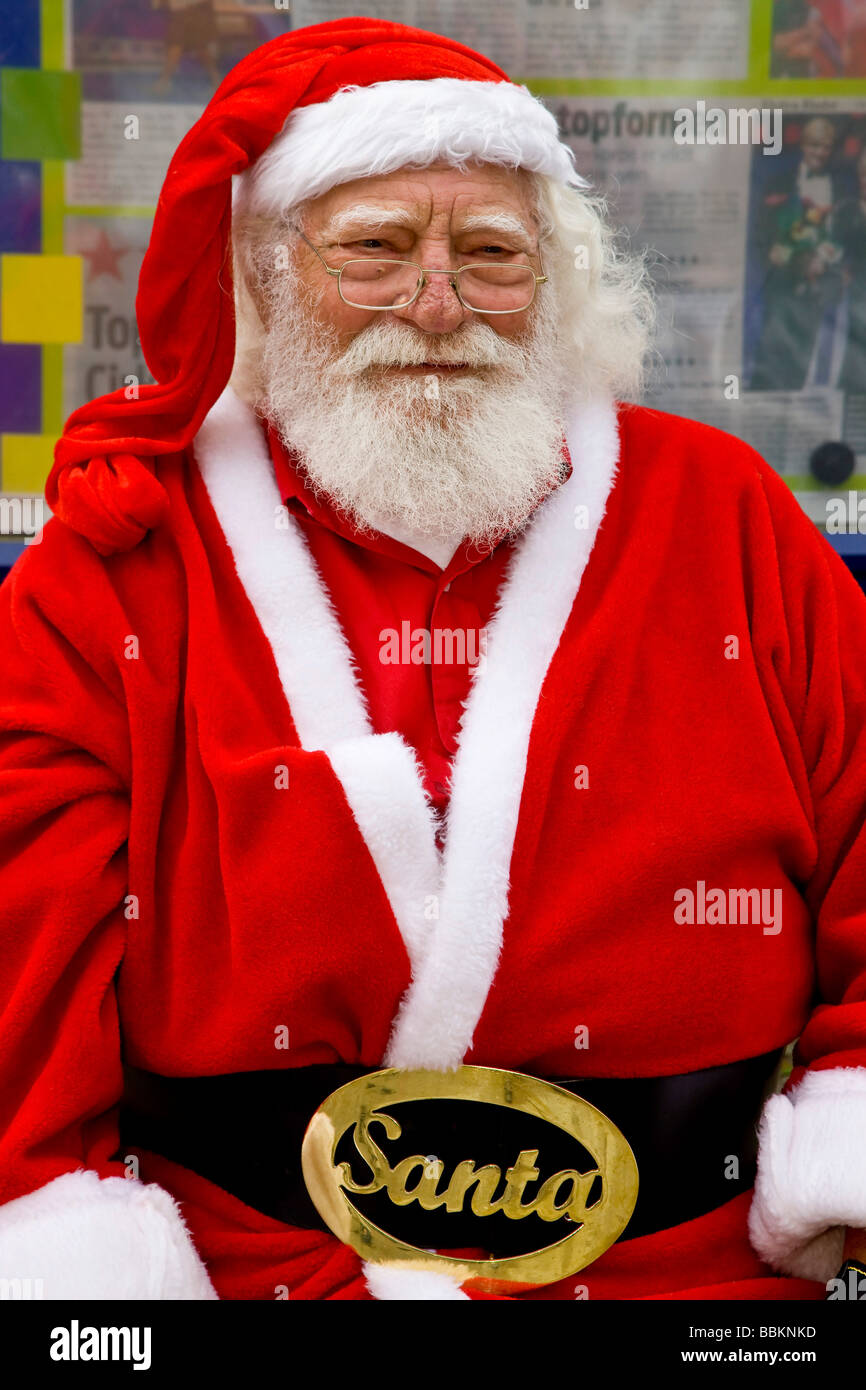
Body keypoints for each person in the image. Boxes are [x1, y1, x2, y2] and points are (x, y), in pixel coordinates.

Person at [0, 17, 865, 1302]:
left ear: (552, 280)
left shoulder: (727, 515)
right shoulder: (122, 561)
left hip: (693, 1286)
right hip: (261, 1275)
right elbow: (24, 948)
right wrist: (61, 1225)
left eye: (490, 255)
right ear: (262, 275)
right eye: (375, 250)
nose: (438, 302)